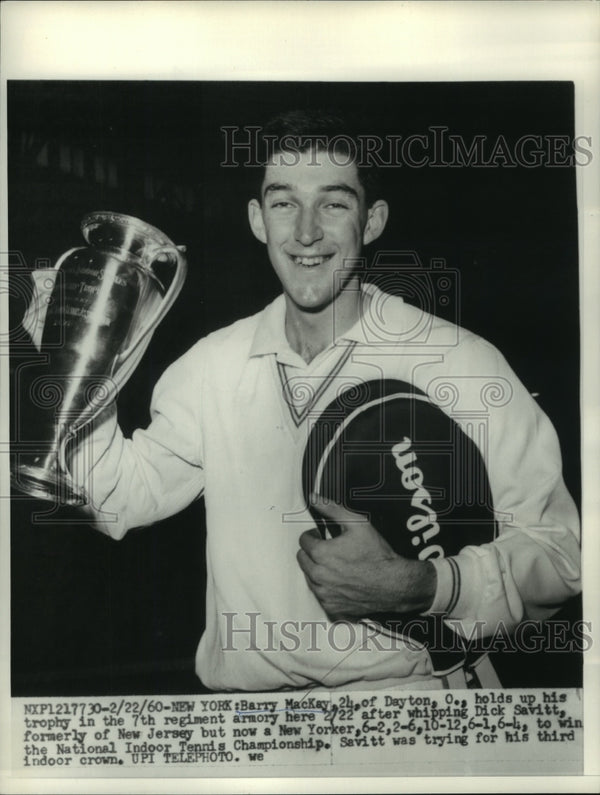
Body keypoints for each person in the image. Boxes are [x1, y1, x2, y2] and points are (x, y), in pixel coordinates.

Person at [28, 110, 581, 692]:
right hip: (254, 729)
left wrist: (427, 584)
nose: (307, 232)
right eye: (284, 203)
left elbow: (563, 555)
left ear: (372, 221)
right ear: (257, 219)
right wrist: (75, 370)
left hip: (412, 713)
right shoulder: (212, 365)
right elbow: (120, 499)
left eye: (335, 203)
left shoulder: (460, 362)